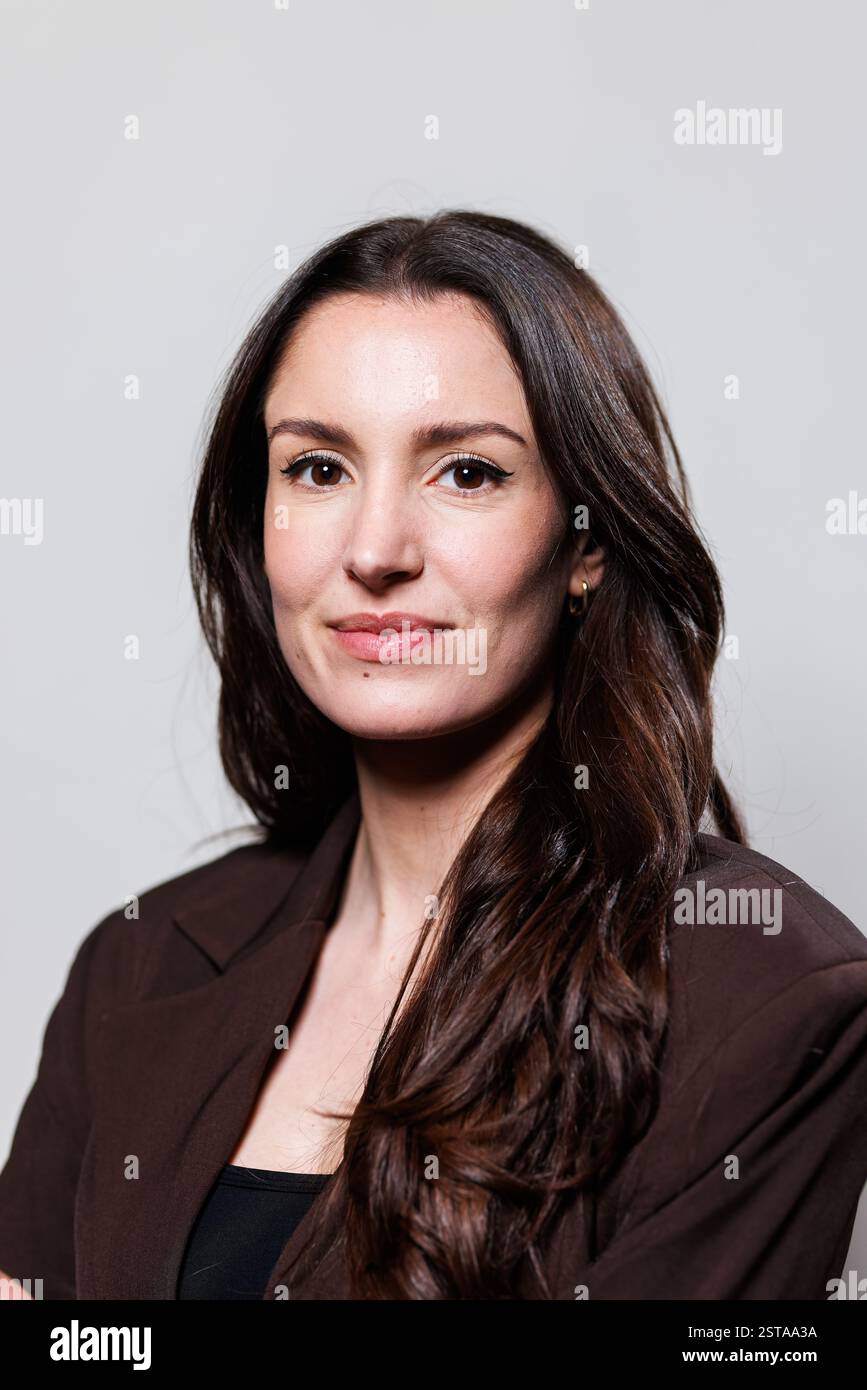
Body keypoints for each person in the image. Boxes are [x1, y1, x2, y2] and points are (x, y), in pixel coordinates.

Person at [2, 210, 866, 1301]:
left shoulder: (771, 995)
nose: (374, 551)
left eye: (465, 472)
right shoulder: (141, 961)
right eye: (318, 468)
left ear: (588, 540)